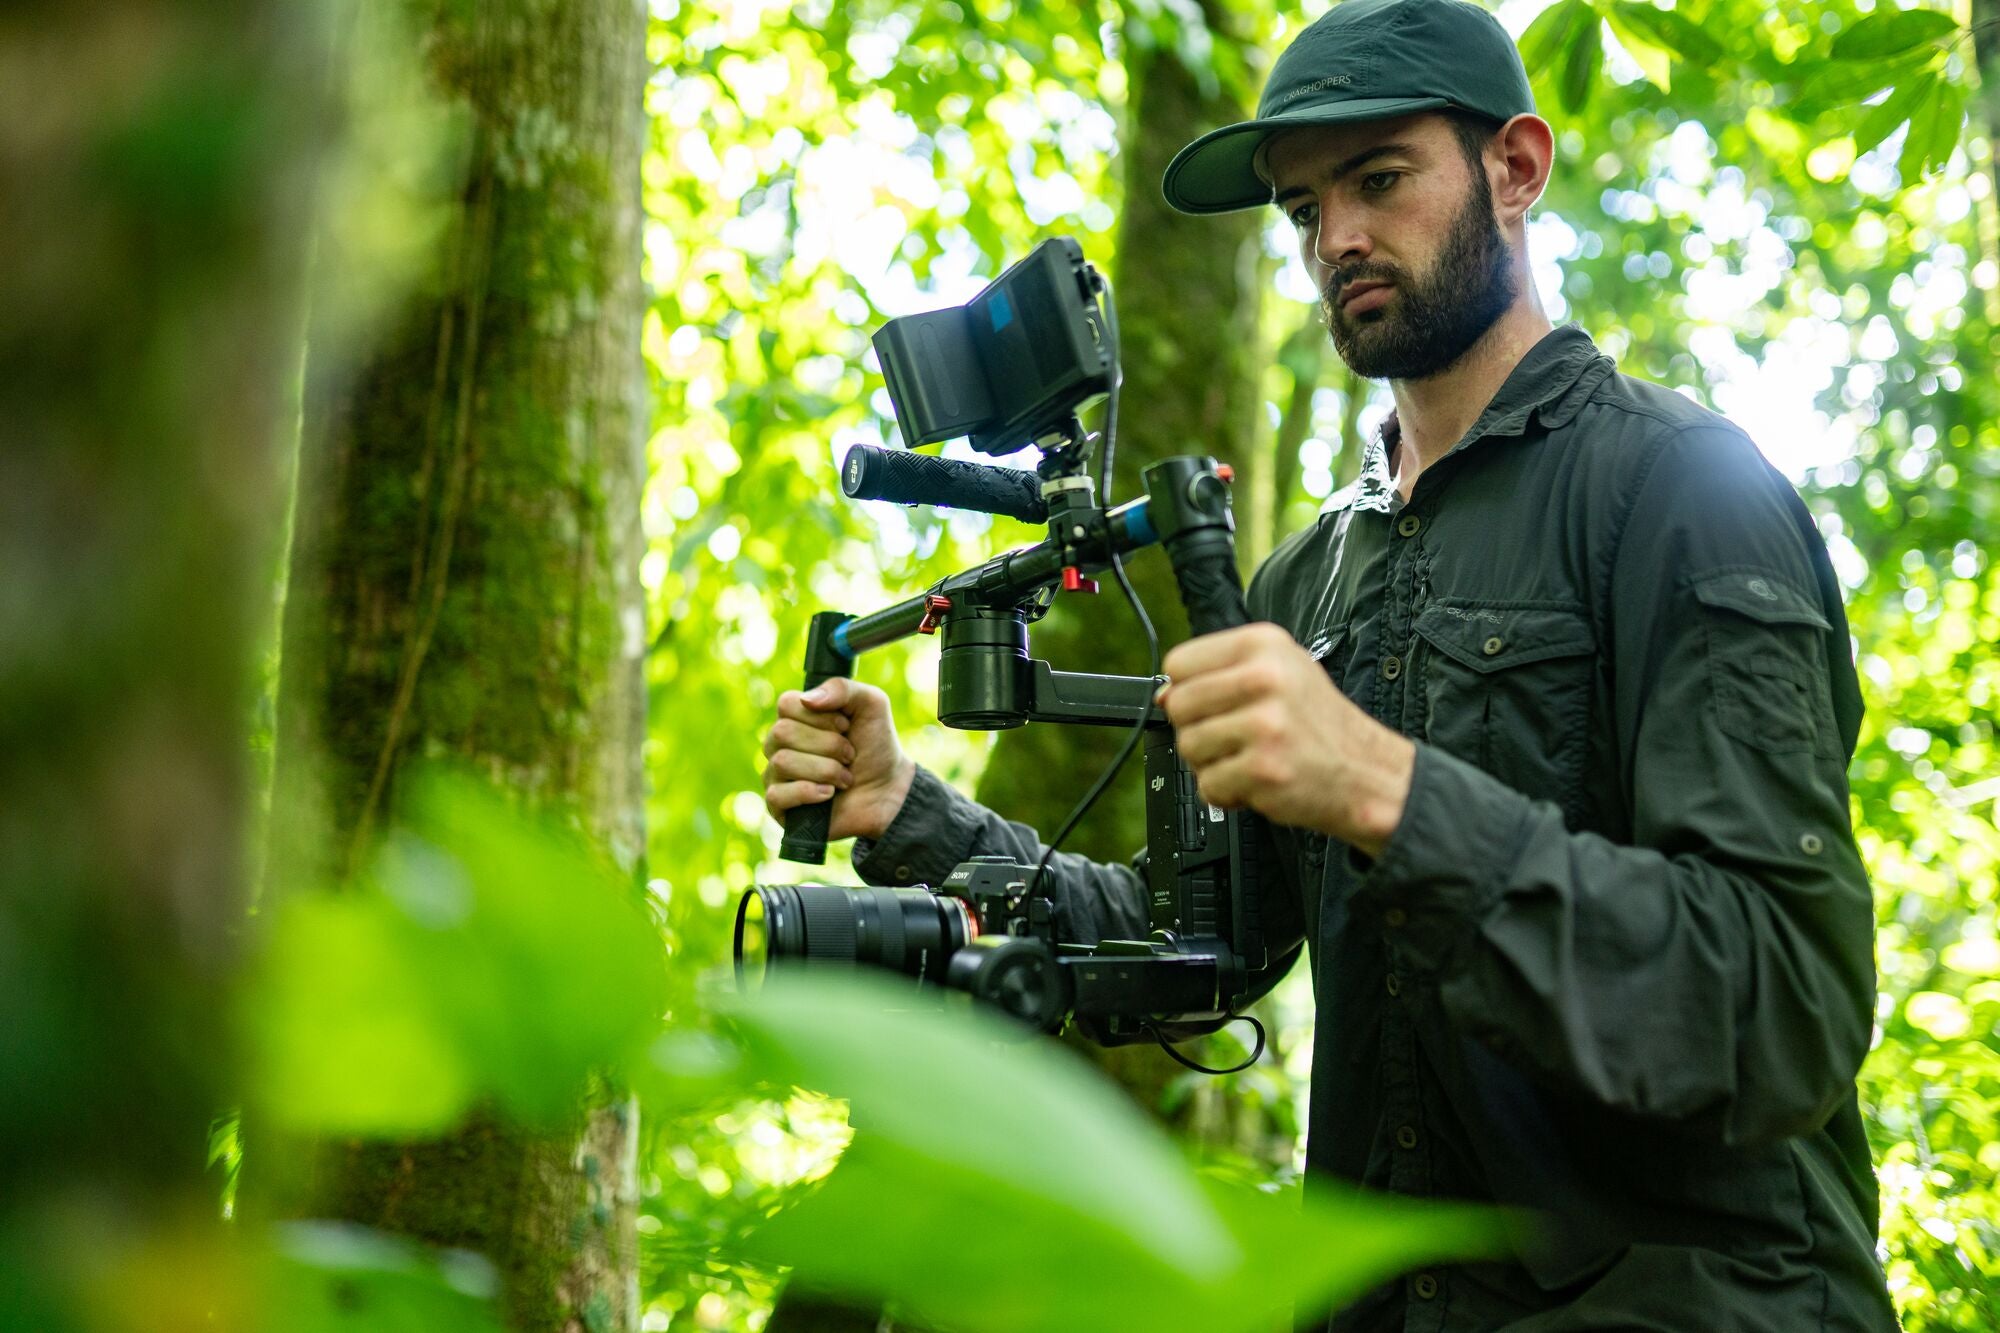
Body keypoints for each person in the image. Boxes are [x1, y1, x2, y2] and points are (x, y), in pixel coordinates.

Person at [761, 0, 1899, 1326]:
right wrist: (911, 810)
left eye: (1380, 178)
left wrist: (1385, 786)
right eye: (1304, 209)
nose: (1337, 236)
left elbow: (1784, 1003)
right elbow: (1201, 945)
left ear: (1516, 170)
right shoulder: (1303, 583)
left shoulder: (1682, 488)